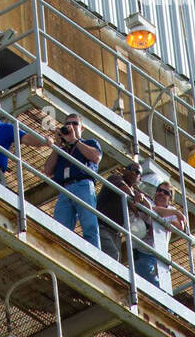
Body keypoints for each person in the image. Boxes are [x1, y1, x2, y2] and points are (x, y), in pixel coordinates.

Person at [44, 112, 102, 248]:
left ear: (82, 128)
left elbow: (96, 157)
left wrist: (75, 140)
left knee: (89, 225)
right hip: (65, 188)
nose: (71, 126)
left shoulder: (89, 143)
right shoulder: (62, 149)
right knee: (60, 229)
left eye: (75, 123)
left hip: (83, 185)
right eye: (67, 124)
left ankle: (95, 255)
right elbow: (47, 170)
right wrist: (57, 146)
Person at [96, 160, 145, 262]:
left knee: (116, 259)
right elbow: (124, 190)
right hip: (102, 226)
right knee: (112, 255)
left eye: (137, 172)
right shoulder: (115, 178)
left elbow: (146, 209)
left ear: (140, 179)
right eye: (131, 169)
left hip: (116, 233)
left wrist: (142, 197)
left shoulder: (134, 193)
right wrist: (136, 197)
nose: (133, 173)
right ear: (124, 171)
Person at [151, 179, 189, 295]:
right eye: (159, 190)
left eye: (166, 193)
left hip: (160, 253)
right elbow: (155, 210)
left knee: (163, 290)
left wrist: (174, 217)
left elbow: (181, 226)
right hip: (147, 249)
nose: (161, 193)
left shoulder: (171, 210)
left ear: (170, 199)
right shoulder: (150, 202)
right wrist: (177, 213)